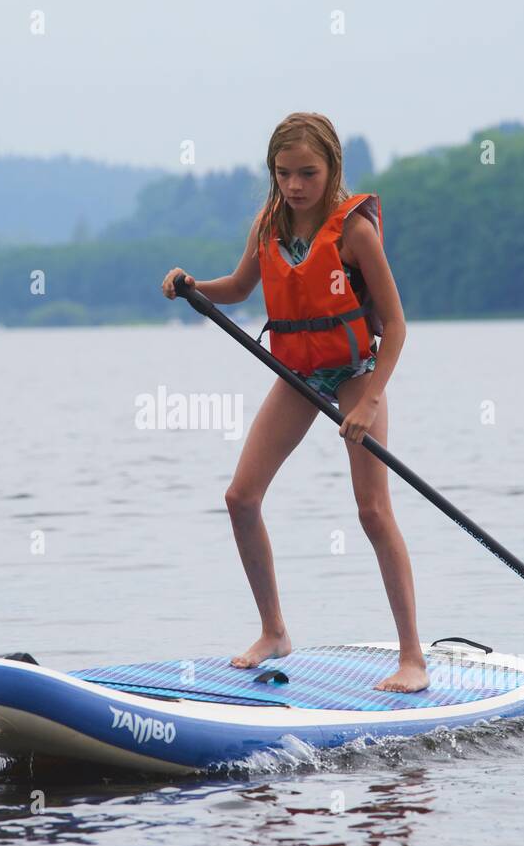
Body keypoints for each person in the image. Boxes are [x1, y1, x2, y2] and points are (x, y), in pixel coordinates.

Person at [161, 112, 428, 693]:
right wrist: (192, 286)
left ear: (332, 168)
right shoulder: (268, 225)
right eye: (284, 173)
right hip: (298, 375)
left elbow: (399, 326)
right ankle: (274, 630)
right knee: (240, 497)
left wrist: (370, 400)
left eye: (308, 172)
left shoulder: (354, 232)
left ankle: (412, 658)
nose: (295, 185)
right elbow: (236, 288)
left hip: (359, 374)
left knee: (372, 512)